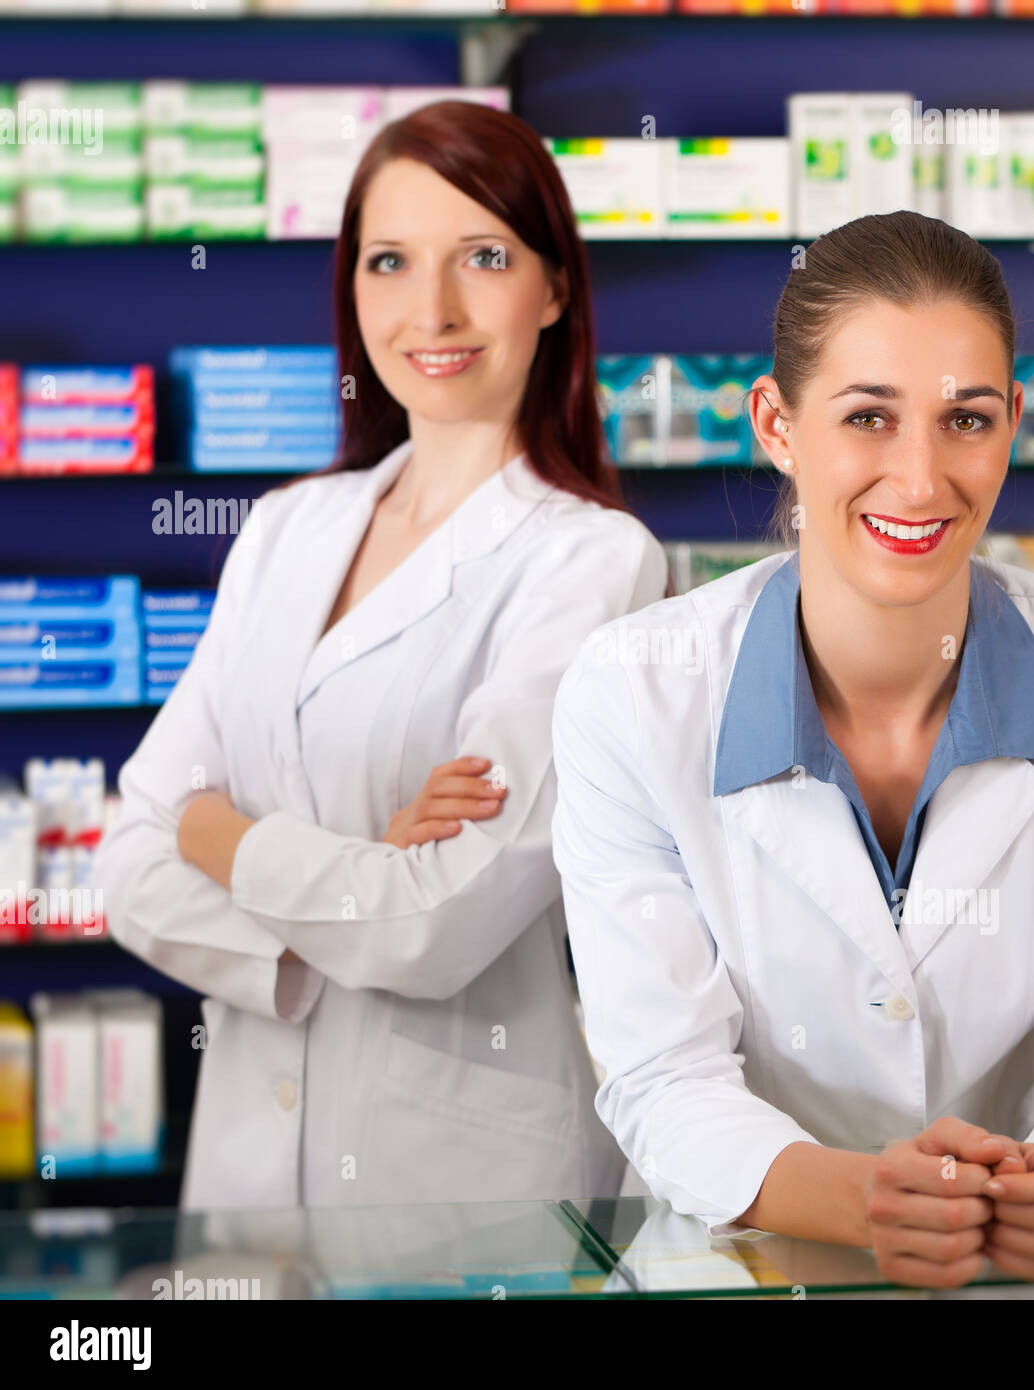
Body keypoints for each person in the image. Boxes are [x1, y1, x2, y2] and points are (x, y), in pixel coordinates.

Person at [551, 209, 1034, 1288]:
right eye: (868, 416)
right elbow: (662, 1076)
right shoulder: (632, 692)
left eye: (966, 418)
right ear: (776, 422)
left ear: (1013, 425)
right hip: (733, 1266)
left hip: (1005, 1268)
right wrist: (865, 1198)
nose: (918, 479)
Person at [97, 100, 667, 1210]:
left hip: (458, 1190)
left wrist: (218, 831)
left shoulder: (596, 563)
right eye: (390, 262)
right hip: (245, 1175)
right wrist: (345, 889)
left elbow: (433, 924)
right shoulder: (286, 528)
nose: (432, 309)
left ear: (554, 288)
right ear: (352, 291)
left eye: (484, 257)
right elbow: (127, 864)